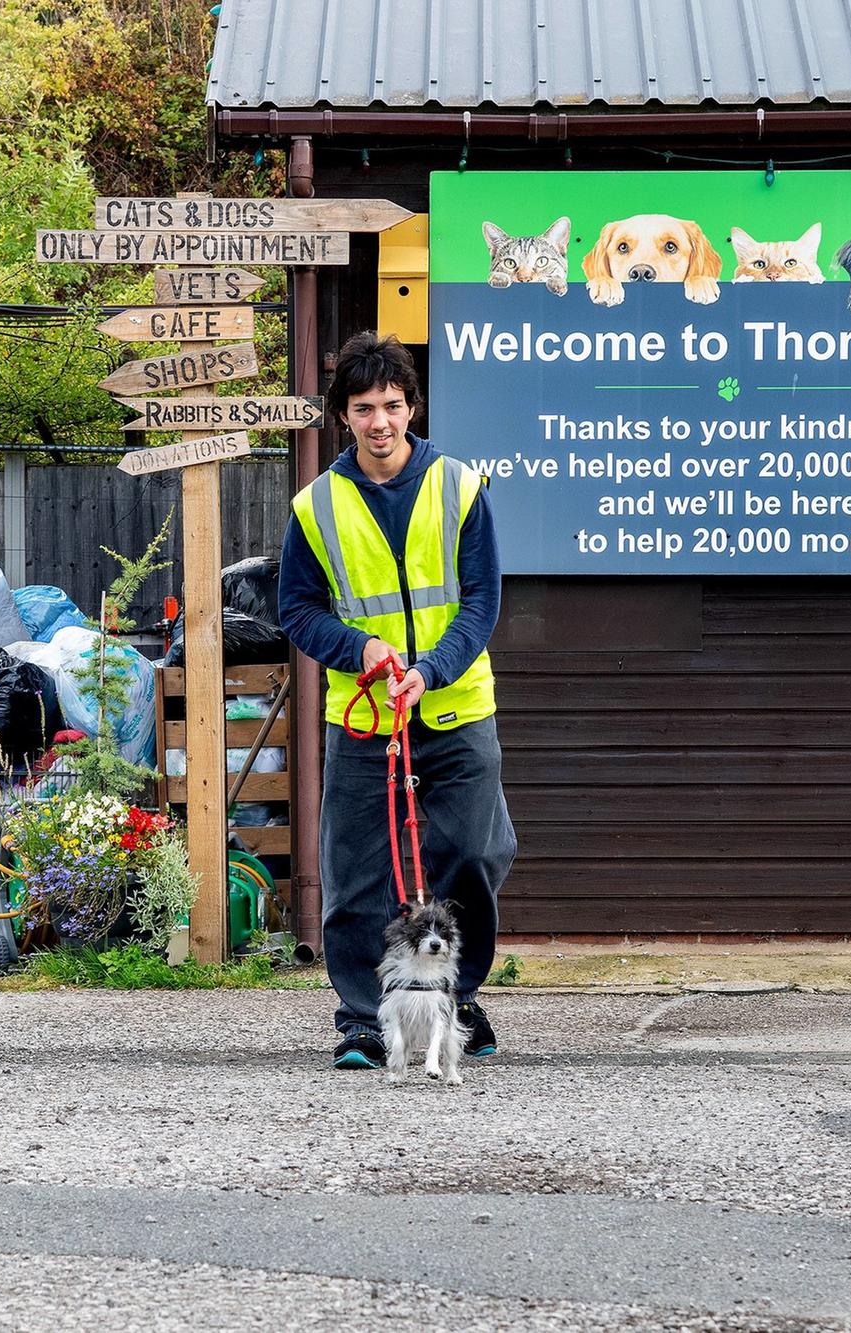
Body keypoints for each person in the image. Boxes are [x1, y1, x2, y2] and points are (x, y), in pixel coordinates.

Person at [278, 332, 518, 1070]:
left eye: (390, 405)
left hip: (455, 707)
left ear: (411, 406)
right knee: (356, 872)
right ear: (341, 417)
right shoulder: (316, 506)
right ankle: (358, 1018)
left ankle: (456, 998)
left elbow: (482, 599)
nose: (379, 421)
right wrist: (362, 651)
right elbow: (297, 609)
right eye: (362, 408)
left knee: (473, 857)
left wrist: (433, 667)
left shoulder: (459, 487)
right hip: (366, 716)